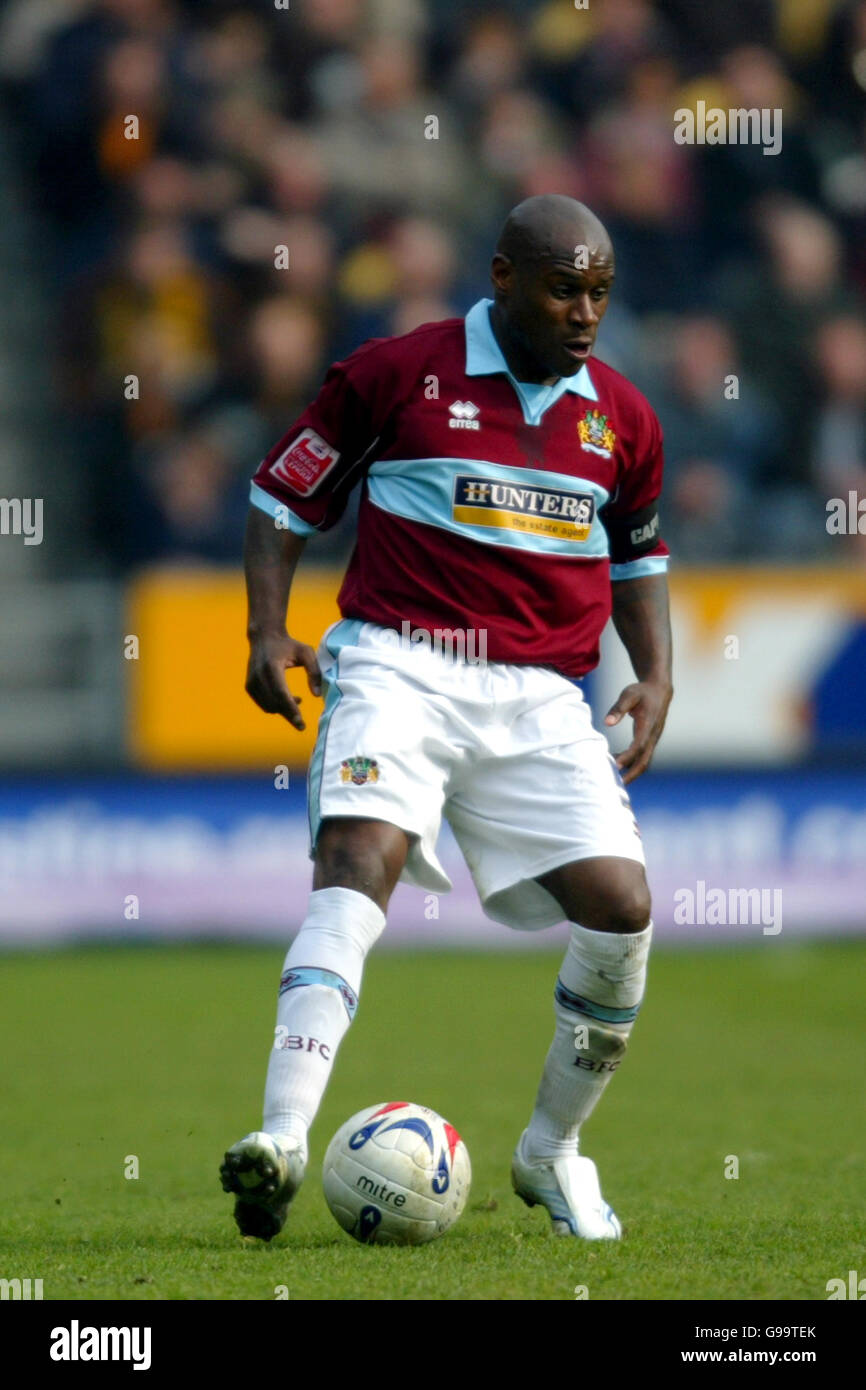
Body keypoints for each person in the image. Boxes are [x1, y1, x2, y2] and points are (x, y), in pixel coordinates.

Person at [220, 194, 673, 1241]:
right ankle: (282, 1137)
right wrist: (263, 629)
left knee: (620, 910)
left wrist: (654, 672)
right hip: (399, 660)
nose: (584, 311)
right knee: (358, 858)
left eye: (599, 290)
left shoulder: (623, 418)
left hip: (541, 695)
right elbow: (282, 498)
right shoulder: (397, 373)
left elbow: (638, 554)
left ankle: (550, 1151)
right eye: (564, 287)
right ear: (502, 276)